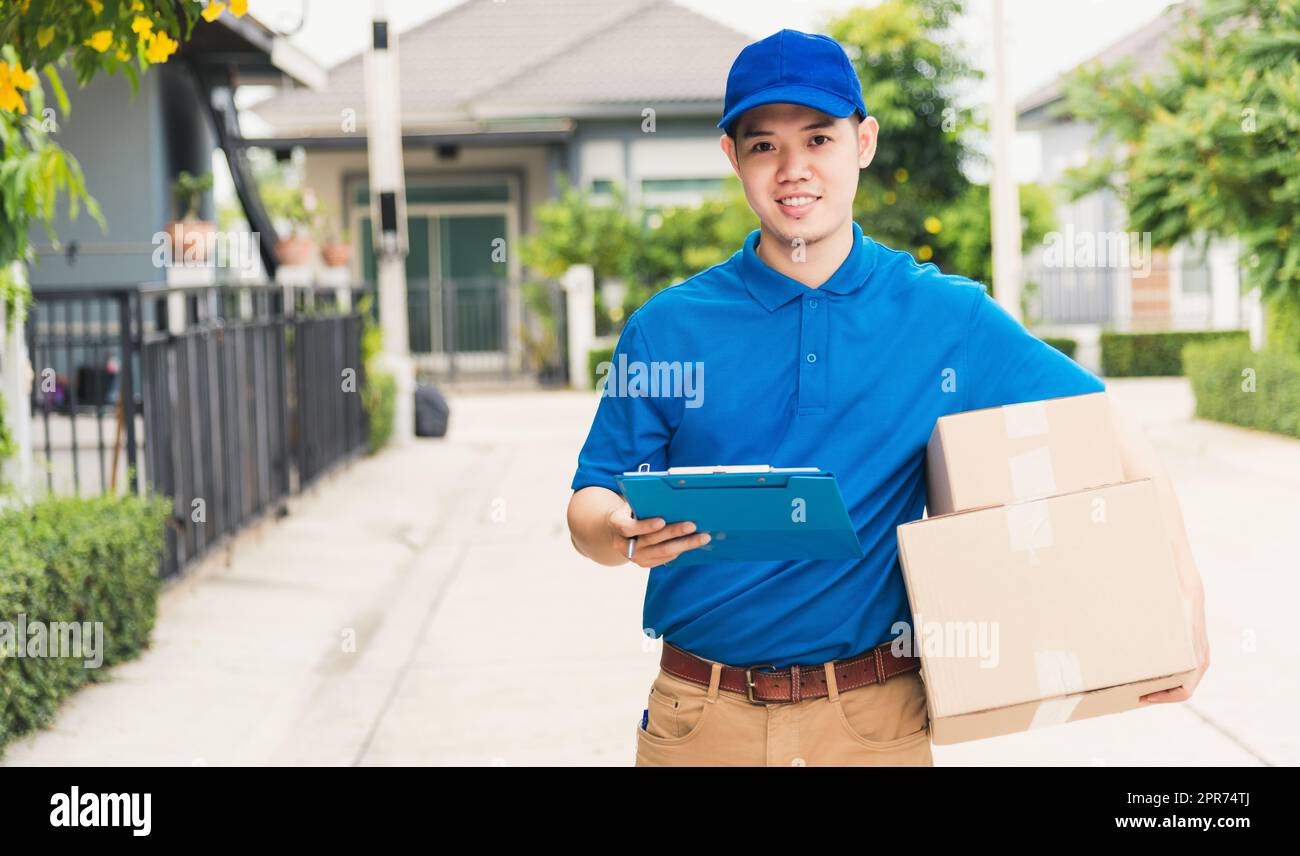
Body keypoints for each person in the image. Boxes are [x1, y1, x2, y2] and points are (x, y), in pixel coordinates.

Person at [566, 29, 1210, 767]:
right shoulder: (667, 327)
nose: (793, 170)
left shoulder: (945, 317)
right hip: (700, 722)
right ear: (732, 157)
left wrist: (1184, 591)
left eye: (818, 139)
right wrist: (620, 533)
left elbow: (1108, 422)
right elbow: (589, 504)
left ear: (863, 142)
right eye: (764, 146)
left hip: (873, 725)